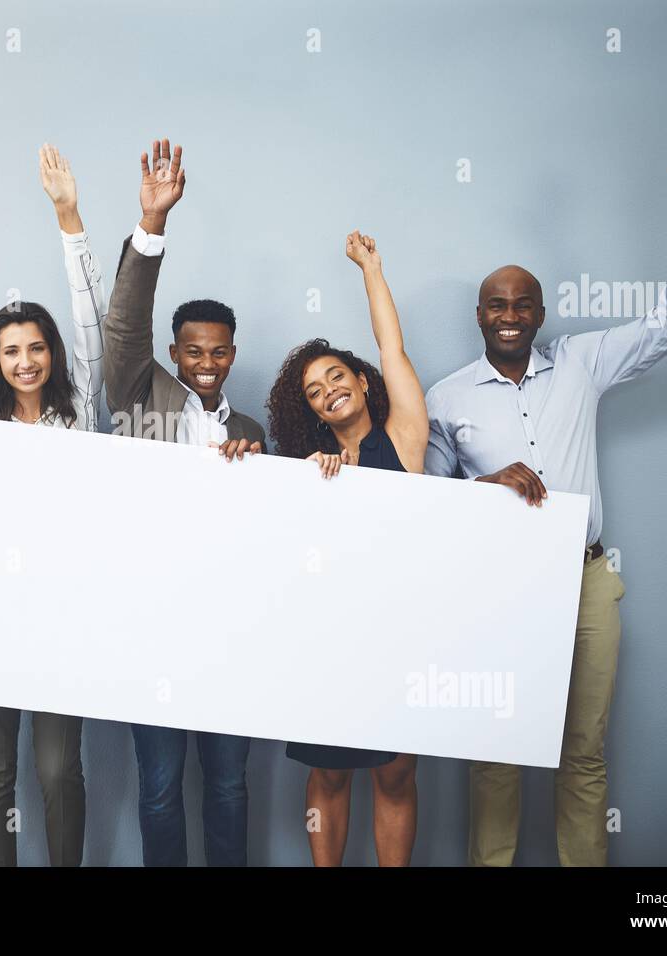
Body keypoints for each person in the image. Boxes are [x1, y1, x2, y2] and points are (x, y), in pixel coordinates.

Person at [424, 128, 667, 867]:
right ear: (479, 315)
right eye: (495, 303)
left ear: (539, 314)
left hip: (586, 577)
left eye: (522, 303)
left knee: (583, 751)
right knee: (495, 751)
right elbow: (426, 503)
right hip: (497, 585)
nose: (509, 313)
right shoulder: (448, 395)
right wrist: (481, 484)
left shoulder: (584, 364)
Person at [102, 138, 265, 867]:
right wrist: (152, 225)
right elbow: (122, 326)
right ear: (173, 353)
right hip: (155, 625)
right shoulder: (142, 392)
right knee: (162, 787)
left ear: (232, 354)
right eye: (193, 350)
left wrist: (258, 475)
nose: (205, 362)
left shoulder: (255, 431)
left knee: (229, 786)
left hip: (231, 628)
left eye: (219, 351)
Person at [0, 144, 105, 865]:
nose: (26, 361)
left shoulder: (86, 414)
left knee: (57, 769)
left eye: (36, 347)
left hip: (63, 615)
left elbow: (92, 315)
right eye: (11, 351)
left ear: (53, 354)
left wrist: (68, 216)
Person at [264, 230, 428, 866]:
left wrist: (372, 269)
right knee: (328, 777)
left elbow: (393, 345)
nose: (329, 388)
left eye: (337, 375)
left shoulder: (404, 438)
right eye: (314, 389)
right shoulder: (308, 470)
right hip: (328, 642)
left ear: (361, 380)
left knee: (393, 774)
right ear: (310, 411)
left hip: (399, 634)